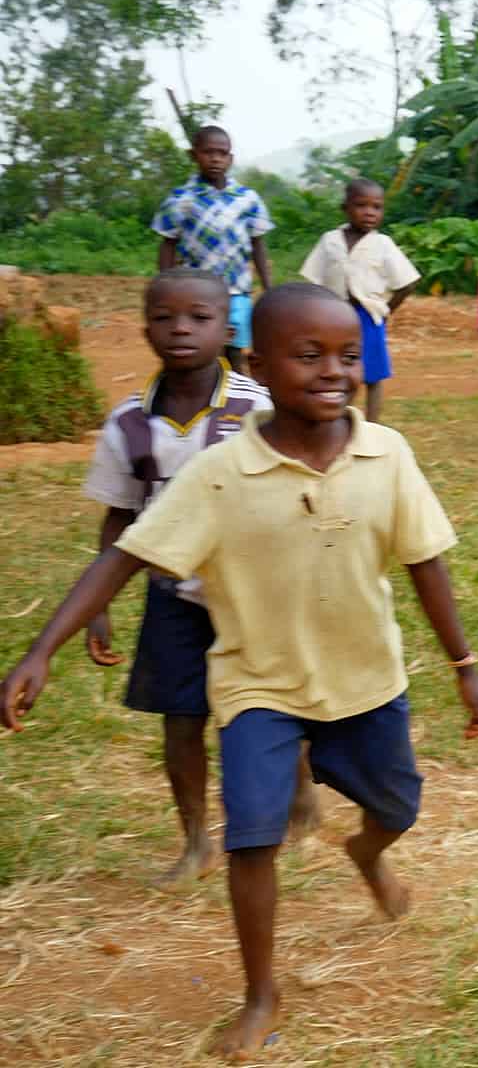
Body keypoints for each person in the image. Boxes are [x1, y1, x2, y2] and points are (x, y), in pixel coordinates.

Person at [2, 283, 478, 1060]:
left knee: (398, 808)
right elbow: (125, 556)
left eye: (348, 355)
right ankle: (262, 993)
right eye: (309, 355)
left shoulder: (387, 453)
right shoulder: (219, 473)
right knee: (253, 841)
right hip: (258, 687)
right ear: (258, 366)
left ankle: (367, 851)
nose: (334, 371)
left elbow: (426, 563)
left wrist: (464, 665)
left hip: (366, 682)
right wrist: (41, 649)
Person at [71, 269, 320, 889]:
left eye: (199, 318)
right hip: (173, 595)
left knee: (273, 704)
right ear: (144, 329)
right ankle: (195, 842)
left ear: (226, 328)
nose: (181, 329)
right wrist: (98, 607)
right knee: (180, 721)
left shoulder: (259, 407)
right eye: (164, 318)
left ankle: (300, 791)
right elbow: (120, 517)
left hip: (258, 595)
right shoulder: (128, 423)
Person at [153, 124, 274, 375]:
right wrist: (164, 286)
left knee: (235, 351)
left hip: (237, 292)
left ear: (230, 158)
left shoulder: (247, 199)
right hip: (195, 293)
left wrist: (268, 288)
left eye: (222, 153)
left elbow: (258, 244)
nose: (216, 159)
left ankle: (237, 396)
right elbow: (168, 244)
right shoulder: (180, 199)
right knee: (204, 351)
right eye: (208, 152)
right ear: (193, 155)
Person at [298, 178, 420, 423]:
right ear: (345, 208)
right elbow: (313, 280)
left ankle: (372, 426)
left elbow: (407, 283)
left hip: (368, 318)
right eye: (361, 205)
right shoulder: (330, 241)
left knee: (372, 375)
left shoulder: (383, 244)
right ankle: (338, 419)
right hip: (332, 319)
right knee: (337, 371)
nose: (369, 212)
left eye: (377, 207)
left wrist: (385, 311)